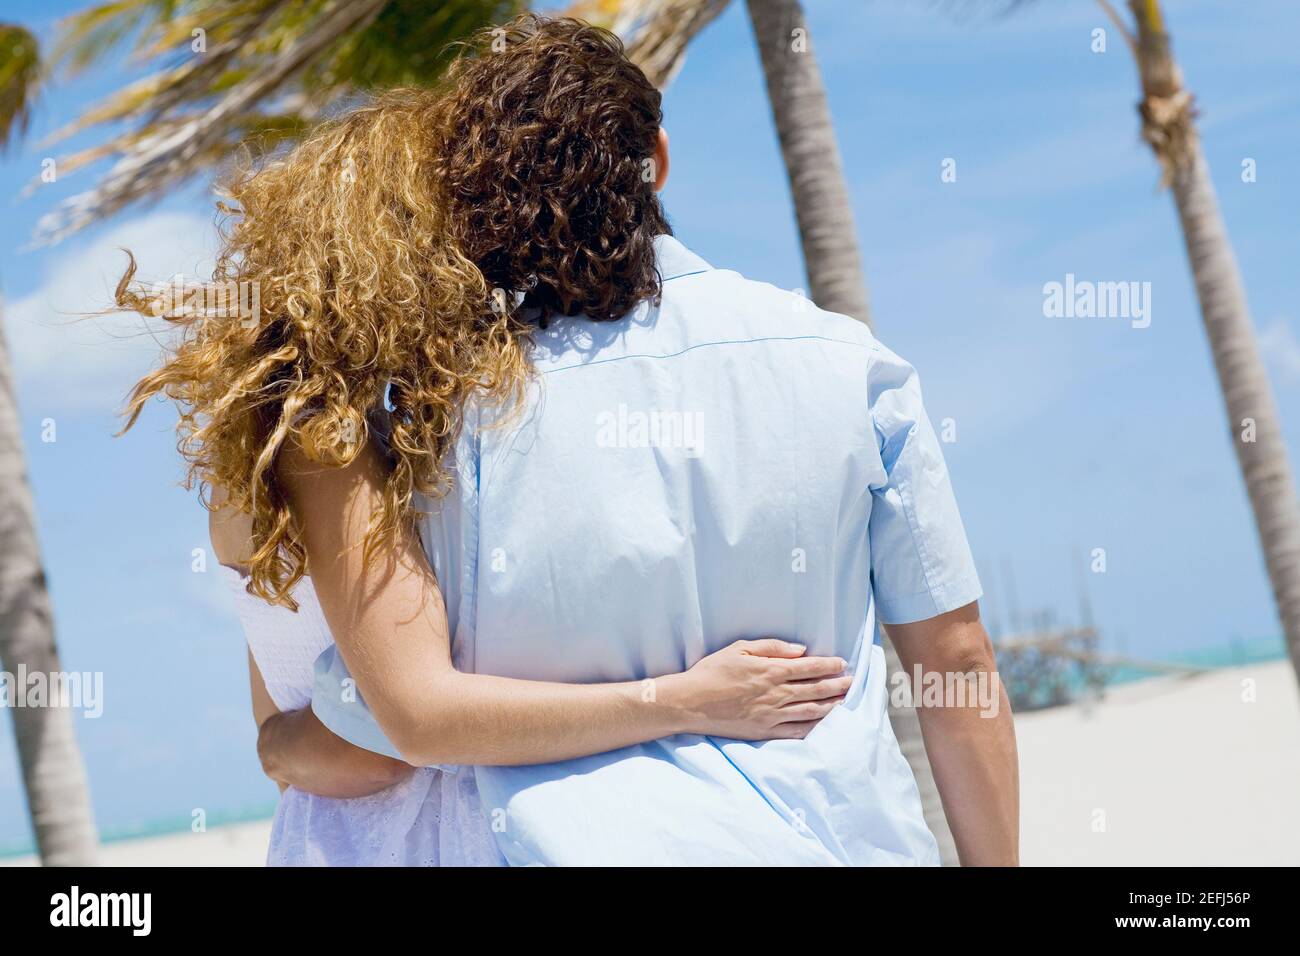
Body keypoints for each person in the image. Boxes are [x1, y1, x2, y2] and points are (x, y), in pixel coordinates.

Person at [300, 15, 1020, 865]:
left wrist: (278, 742)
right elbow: (956, 660)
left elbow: (396, 720)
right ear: (659, 162)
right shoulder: (848, 364)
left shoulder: (441, 419)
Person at [120, 86, 850, 866]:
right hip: (423, 832)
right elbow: (396, 735)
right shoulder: (335, 444)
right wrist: (683, 701)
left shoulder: (277, 443)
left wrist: (298, 744)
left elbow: (281, 730)